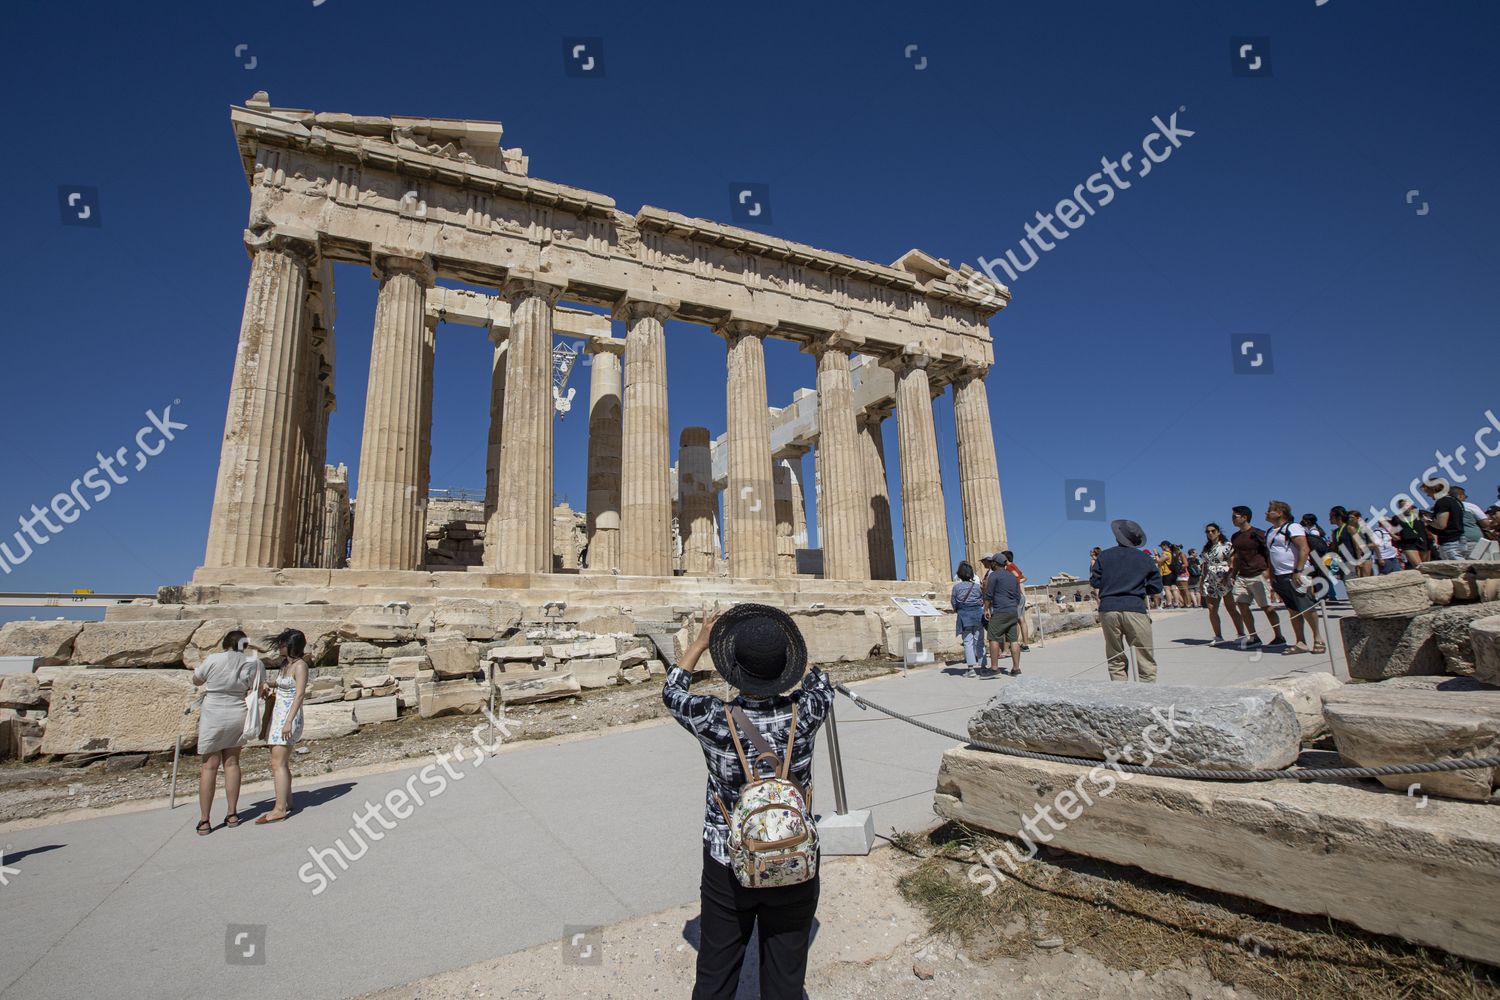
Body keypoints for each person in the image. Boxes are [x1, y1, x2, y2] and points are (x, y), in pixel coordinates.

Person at [663, 604, 832, 1000]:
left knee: (716, 973)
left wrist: (701, 642)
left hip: (728, 858)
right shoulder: (807, 712)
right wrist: (793, 652)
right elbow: (820, 683)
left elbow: (672, 692)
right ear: (786, 664)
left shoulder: (713, 718)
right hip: (794, 854)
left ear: (732, 666)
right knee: (786, 977)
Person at [191, 628, 265, 835]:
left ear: (225, 643)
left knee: (209, 766)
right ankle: (232, 814)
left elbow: (196, 680)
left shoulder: (214, 659)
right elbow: (258, 689)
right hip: (237, 712)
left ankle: (205, 820)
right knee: (232, 763)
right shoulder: (253, 663)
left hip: (213, 712)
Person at [1090, 519, 1162, 682]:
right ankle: (1146, 698)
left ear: (1117, 537)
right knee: (1144, 657)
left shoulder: (1104, 556)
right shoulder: (1145, 559)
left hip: (1108, 609)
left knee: (1115, 657)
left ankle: (1120, 695)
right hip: (1134, 607)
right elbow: (1156, 586)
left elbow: (1095, 581)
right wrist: (1139, 590)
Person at [256, 628, 309, 824]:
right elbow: (284, 684)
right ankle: (287, 801)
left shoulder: (300, 666)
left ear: (291, 645)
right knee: (281, 762)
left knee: (277, 763)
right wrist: (266, 684)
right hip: (279, 714)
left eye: (283, 643)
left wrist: (288, 722)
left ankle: (279, 809)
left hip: (288, 716)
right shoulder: (286, 664)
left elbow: (300, 694)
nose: (279, 647)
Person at [1265, 501, 1324, 655]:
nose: (1266, 513)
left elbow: (1304, 548)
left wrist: (1298, 570)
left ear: (1279, 513)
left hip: (1297, 573)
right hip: (1280, 575)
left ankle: (1318, 638)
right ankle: (1301, 642)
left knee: (1306, 606)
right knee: (1293, 610)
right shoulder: (1270, 531)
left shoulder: (1292, 527)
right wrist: (1272, 576)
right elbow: (1272, 554)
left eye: (1269, 511)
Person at [1228, 505, 1286, 649]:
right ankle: (1254, 636)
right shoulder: (1235, 536)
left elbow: (1269, 553)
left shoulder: (1259, 534)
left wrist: (1268, 571)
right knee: (1242, 605)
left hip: (1258, 574)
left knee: (1266, 606)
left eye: (1235, 516)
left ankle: (1279, 636)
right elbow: (1237, 557)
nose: (1232, 519)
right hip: (1242, 576)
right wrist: (1233, 574)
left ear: (1245, 517)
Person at [1199, 523, 1245, 645]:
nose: (1210, 533)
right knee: (1212, 609)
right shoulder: (1206, 548)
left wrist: (1229, 575)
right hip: (1211, 579)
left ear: (1218, 532)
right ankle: (1218, 636)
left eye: (1213, 531)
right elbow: (1204, 565)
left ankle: (1241, 634)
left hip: (1224, 577)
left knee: (1231, 608)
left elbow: (1233, 562)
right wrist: (1201, 581)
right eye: (1207, 532)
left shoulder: (1227, 545)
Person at [982, 552, 1024, 675]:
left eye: (992, 563)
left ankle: (994, 668)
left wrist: (986, 609)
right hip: (1012, 611)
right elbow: (1018, 595)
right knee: (1014, 640)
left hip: (1000, 611)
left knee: (993, 638)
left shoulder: (994, 576)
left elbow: (989, 594)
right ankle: (1016, 668)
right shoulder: (1012, 576)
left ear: (995, 563)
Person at [950, 561, 988, 677]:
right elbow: (982, 600)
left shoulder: (956, 588)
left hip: (964, 616)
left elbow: (953, 602)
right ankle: (983, 667)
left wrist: (958, 609)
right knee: (979, 641)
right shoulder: (977, 587)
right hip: (977, 615)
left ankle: (970, 668)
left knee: (967, 642)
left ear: (960, 575)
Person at [1422, 480, 1472, 560]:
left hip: (1450, 543)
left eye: (1428, 492)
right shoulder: (1456, 501)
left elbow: (1441, 525)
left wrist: (1427, 522)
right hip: (1460, 540)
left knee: (1456, 569)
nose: (1428, 495)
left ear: (1434, 489)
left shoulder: (1442, 502)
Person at [1000, 551, 1031, 651]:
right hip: (1020, 595)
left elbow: (1016, 577)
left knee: (1017, 621)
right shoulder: (1014, 566)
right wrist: (1017, 582)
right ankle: (1025, 644)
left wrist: (1013, 583)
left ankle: (1016, 644)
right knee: (1021, 620)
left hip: (1016, 597)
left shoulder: (1009, 568)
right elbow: (1024, 577)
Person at [1329, 506, 1370, 578]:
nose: (1329, 519)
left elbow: (1357, 545)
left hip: (1350, 560)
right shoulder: (1335, 532)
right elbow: (1335, 549)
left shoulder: (1350, 528)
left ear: (1338, 517)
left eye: (1331, 516)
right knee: (1346, 584)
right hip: (1341, 562)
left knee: (1352, 582)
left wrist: (1359, 560)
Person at [1393, 499, 1432, 567]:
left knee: (1426, 565)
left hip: (1423, 540)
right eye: (1402, 506)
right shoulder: (1397, 518)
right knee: (1418, 566)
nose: (1405, 507)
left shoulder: (1419, 513)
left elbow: (1428, 524)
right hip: (1408, 543)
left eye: (1406, 505)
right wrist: (1393, 535)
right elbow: (1392, 530)